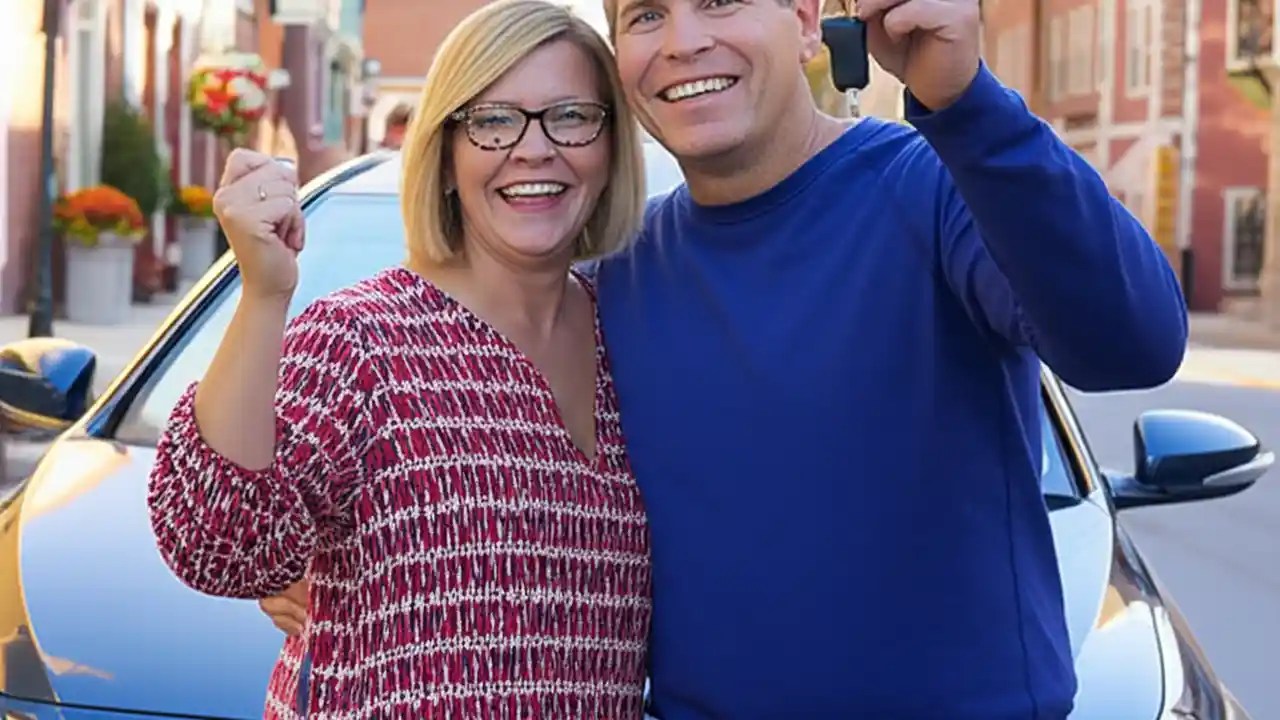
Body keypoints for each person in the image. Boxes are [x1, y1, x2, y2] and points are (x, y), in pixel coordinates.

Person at [263, 0, 1189, 718]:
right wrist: (316, 545)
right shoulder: (616, 282)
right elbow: (497, 477)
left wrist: (968, 105)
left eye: (718, 1)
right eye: (645, 16)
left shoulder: (936, 188)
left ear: (800, 22)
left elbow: (1132, 341)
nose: (681, 42)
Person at [145, 1, 652, 717]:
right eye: (492, 120)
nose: (535, 148)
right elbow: (220, 544)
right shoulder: (363, 342)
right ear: (445, 156)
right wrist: (263, 291)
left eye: (571, 115)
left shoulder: (633, 333)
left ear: (609, 147)